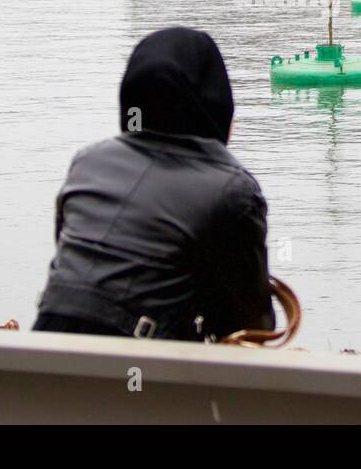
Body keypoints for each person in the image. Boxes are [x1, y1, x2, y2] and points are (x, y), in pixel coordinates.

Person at [33, 27, 274, 342]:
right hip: (138, 365)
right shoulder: (232, 189)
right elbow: (250, 326)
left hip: (44, 351)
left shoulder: (88, 162)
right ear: (217, 102)